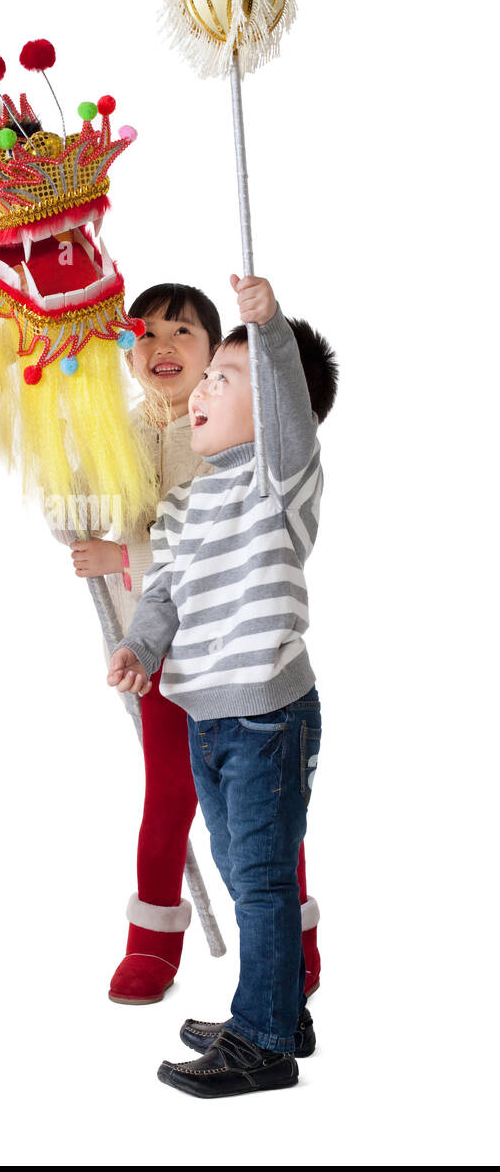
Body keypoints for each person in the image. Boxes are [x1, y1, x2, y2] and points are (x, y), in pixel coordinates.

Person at [108, 274, 338, 1097]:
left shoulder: (279, 481)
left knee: (266, 876)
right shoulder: (193, 498)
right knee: (244, 870)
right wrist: (140, 645)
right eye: (207, 377)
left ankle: (264, 1039)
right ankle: (273, 1005)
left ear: (278, 411)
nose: (202, 386)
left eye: (223, 377)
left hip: (268, 716)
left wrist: (266, 332)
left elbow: (286, 408)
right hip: (206, 715)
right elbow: (164, 588)